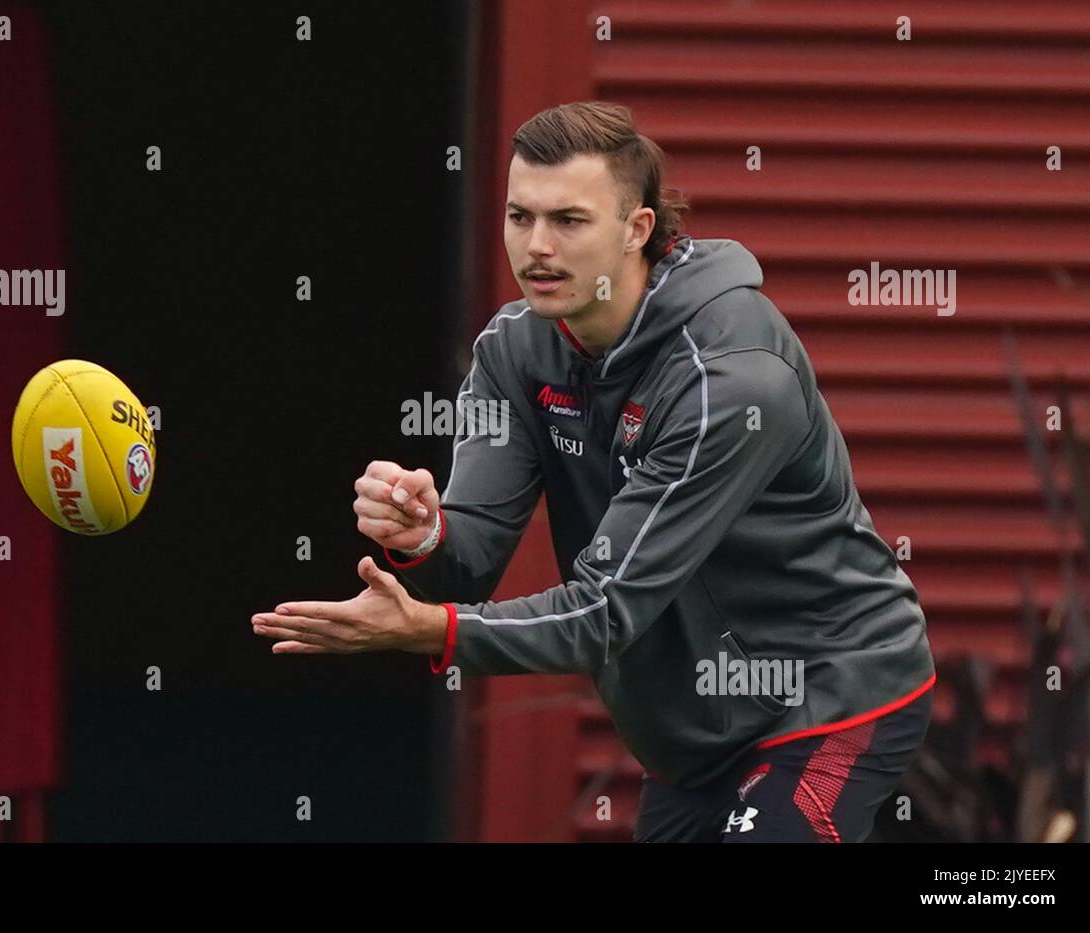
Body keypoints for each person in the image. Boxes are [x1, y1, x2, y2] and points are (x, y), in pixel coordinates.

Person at [252, 101, 935, 842]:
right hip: (689, 731)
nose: (537, 247)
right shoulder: (512, 352)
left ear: (637, 228)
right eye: (520, 217)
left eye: (568, 221)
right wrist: (423, 536)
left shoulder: (730, 380)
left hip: (830, 688)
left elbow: (605, 611)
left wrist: (428, 631)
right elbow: (470, 554)